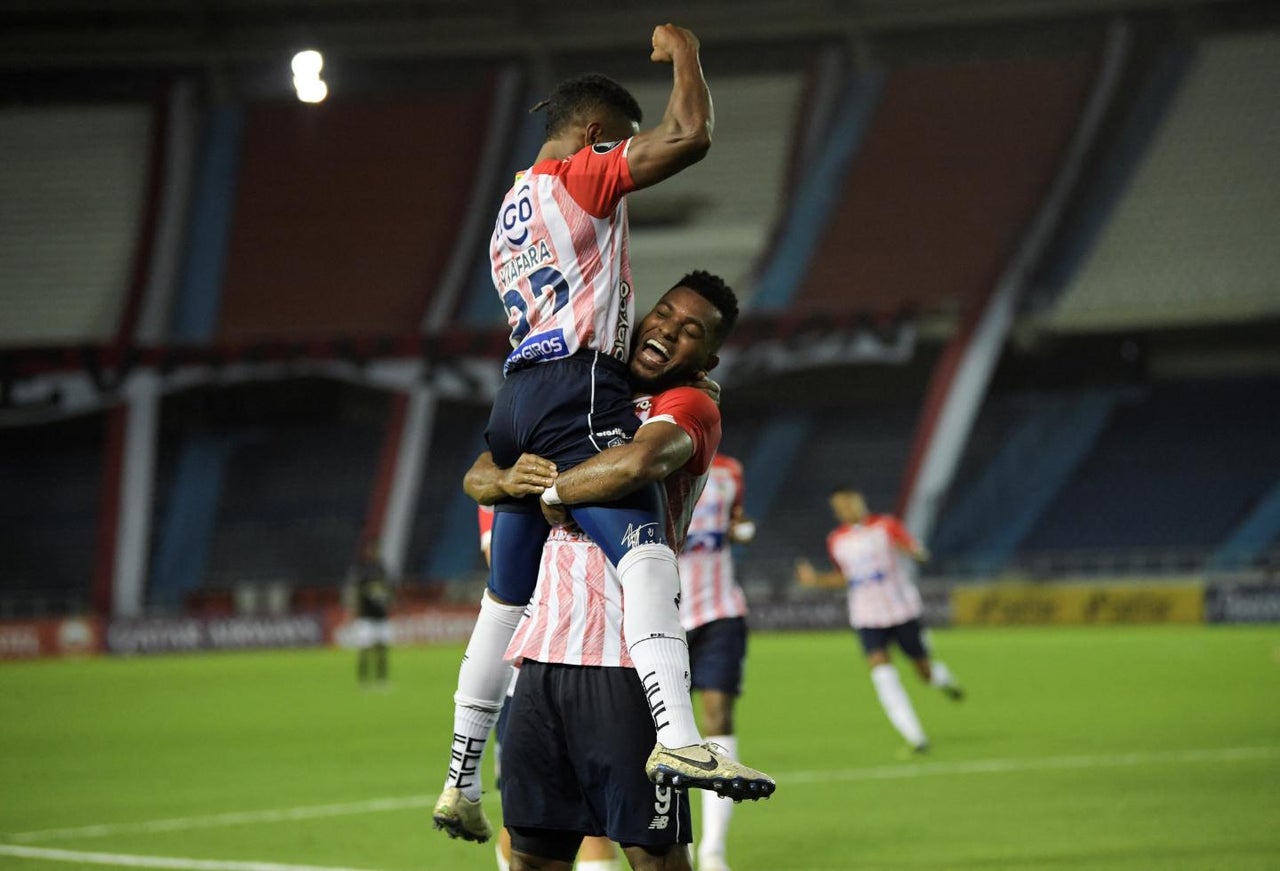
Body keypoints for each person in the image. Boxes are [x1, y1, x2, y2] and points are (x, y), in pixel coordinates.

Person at [439, 24, 769, 838]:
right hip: (568, 390)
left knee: (498, 603)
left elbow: (486, 472)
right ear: (594, 139)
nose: (624, 165)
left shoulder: (510, 207)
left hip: (517, 389)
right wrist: (687, 50)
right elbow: (688, 136)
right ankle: (683, 739)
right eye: (618, 147)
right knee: (650, 551)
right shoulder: (579, 176)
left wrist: (527, 480)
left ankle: (457, 777)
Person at [471, 273, 770, 871]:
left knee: (655, 860)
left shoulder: (688, 404)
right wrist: (507, 481)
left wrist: (552, 490)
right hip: (540, 657)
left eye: (690, 332)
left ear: (705, 359)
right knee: (532, 856)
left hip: (625, 663)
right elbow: (482, 470)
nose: (667, 331)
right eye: (664, 314)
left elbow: (637, 462)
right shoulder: (584, 389)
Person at [477, 507, 622, 871]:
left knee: (600, 823)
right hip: (528, 667)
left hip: (604, 655)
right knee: (526, 825)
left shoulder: (607, 463)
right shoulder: (508, 478)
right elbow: (504, 565)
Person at [795, 488, 963, 757]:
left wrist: (916, 553)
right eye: (839, 506)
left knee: (924, 672)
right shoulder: (837, 540)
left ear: (860, 501)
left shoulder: (886, 527)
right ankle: (915, 736)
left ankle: (944, 681)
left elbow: (915, 550)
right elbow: (844, 577)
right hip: (867, 616)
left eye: (848, 503)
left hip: (902, 611)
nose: (845, 509)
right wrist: (815, 580)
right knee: (882, 673)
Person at [676, 454, 755, 871]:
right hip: (663, 615)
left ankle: (713, 848)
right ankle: (671, 841)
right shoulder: (649, 459)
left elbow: (736, 520)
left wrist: (739, 530)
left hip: (721, 610)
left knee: (717, 713)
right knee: (660, 730)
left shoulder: (729, 470)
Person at [349, 539, 391, 688]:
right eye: (369, 549)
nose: (372, 552)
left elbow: (388, 589)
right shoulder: (361, 569)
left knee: (382, 649)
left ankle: (382, 680)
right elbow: (355, 592)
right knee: (364, 649)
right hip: (366, 616)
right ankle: (363, 680)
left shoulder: (380, 568)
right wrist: (355, 611)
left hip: (381, 616)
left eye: (374, 549)